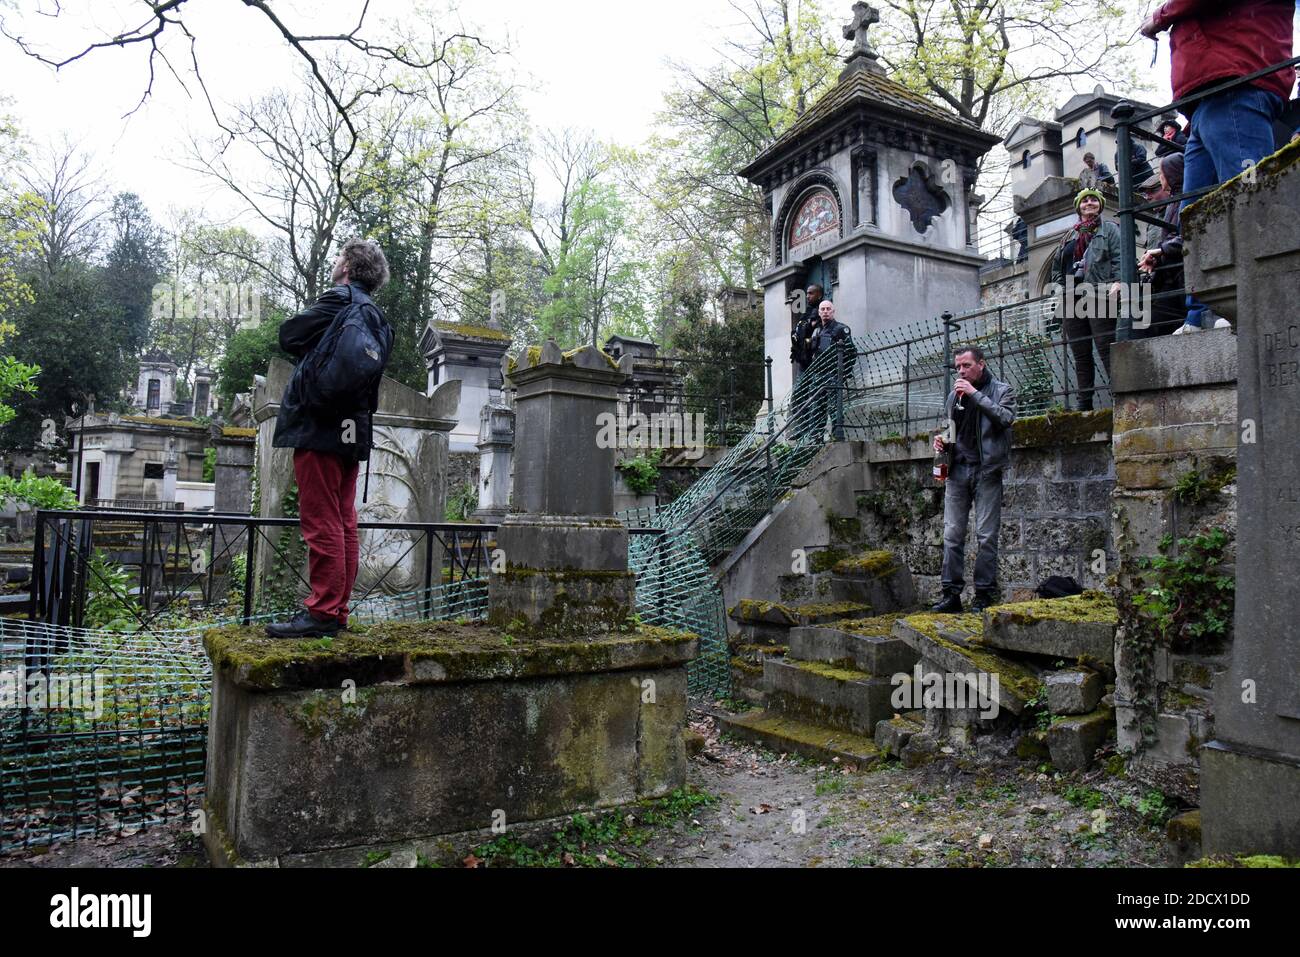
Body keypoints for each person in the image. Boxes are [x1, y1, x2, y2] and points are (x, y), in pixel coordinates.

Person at [266, 238, 394, 639]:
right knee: (342, 519)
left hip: (319, 423)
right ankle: (336, 611)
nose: (336, 261)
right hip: (352, 427)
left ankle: (321, 612)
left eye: (340, 256)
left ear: (349, 268)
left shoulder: (339, 300)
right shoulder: (378, 318)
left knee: (320, 519)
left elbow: (288, 334)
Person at [1141, 0, 1295, 333]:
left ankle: (1251, 302)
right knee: (1195, 213)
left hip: (1234, 82)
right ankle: (1199, 312)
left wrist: (1160, 16)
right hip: (1212, 96)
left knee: (1247, 199)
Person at [931, 346, 1017, 614]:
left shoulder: (1002, 391)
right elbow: (953, 429)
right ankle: (951, 595)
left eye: (966, 366)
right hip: (957, 470)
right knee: (952, 534)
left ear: (981, 364)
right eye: (957, 367)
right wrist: (943, 440)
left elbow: (1005, 418)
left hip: (987, 470)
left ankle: (983, 595)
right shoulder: (953, 396)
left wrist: (975, 394)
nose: (961, 371)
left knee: (986, 535)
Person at [1052, 188, 1122, 411]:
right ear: (1078, 206)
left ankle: (1119, 397)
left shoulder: (1110, 229)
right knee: (1080, 353)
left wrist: (1118, 281)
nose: (1089, 203)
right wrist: (1060, 290)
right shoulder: (1069, 236)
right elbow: (1056, 267)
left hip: (1098, 293)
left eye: (1093, 200)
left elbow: (1120, 257)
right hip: (1071, 298)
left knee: (1106, 347)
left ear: (1100, 205)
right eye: (1085, 201)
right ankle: (1085, 404)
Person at [1137, 153, 1190, 337]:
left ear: (1172, 173)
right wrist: (1157, 257)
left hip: (1183, 275)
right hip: (1171, 275)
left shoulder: (1185, 198)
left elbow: (1189, 235)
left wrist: (1161, 251)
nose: (1160, 177)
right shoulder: (1173, 203)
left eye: (1162, 173)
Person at [803, 299, 853, 442]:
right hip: (817, 376)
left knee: (834, 407)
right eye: (822, 309)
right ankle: (815, 439)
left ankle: (836, 436)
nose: (825, 312)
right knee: (816, 408)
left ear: (833, 311)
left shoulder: (840, 329)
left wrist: (843, 373)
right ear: (819, 312)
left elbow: (851, 352)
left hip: (832, 375)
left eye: (828, 309)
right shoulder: (817, 331)